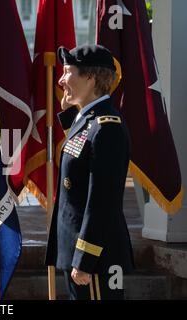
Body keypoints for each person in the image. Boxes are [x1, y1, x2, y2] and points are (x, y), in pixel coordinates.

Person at [45, 44, 134, 300]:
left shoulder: (107, 127)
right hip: (78, 251)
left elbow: (102, 201)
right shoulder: (90, 119)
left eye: (66, 72)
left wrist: (85, 258)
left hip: (96, 258)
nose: (61, 79)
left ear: (90, 77)